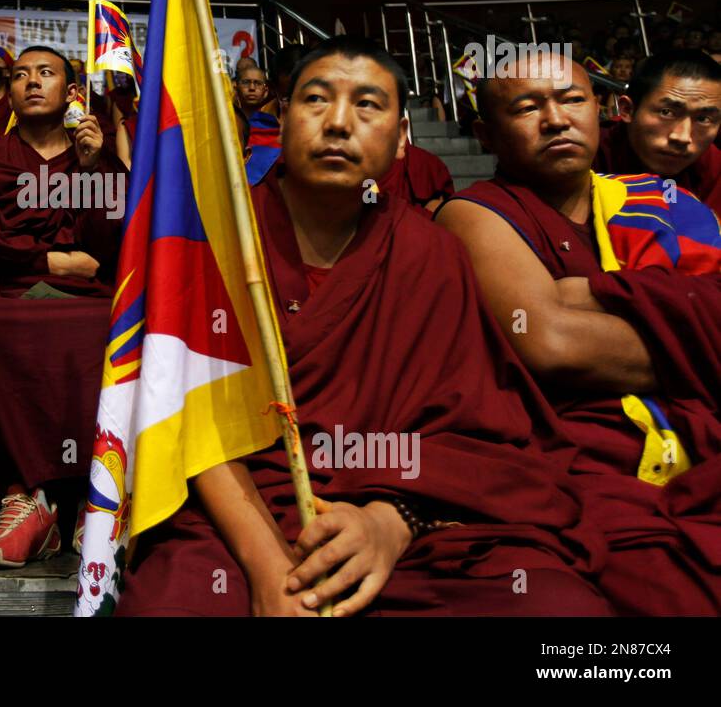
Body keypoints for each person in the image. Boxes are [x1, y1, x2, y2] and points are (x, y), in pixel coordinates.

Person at [117, 36, 610, 617]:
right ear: (281, 116)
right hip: (247, 508)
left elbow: (472, 426)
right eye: (316, 100)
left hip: (410, 506)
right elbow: (184, 419)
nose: (339, 123)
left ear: (402, 139)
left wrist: (388, 525)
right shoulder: (212, 243)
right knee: (177, 604)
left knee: (553, 607)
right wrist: (266, 565)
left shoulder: (429, 251)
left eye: (369, 105)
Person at [437, 54, 721, 615]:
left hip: (700, 441)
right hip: (589, 469)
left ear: (600, 111)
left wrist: (578, 298)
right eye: (526, 107)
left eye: (571, 100)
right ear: (484, 134)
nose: (556, 120)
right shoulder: (474, 214)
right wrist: (698, 338)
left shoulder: (657, 203)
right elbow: (553, 346)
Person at [0, 45, 128, 567]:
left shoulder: (91, 153)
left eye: (46, 73)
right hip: (18, 287)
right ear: (7, 94)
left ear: (71, 92)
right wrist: (48, 262)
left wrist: (97, 165)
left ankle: (100, 495)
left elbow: (115, 243)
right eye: (21, 75)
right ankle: (29, 496)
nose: (32, 82)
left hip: (92, 294)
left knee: (115, 322)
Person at [595, 48, 721, 213]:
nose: (682, 137)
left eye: (703, 119)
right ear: (627, 110)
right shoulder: (593, 152)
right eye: (666, 112)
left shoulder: (711, 165)